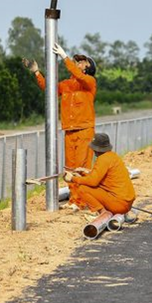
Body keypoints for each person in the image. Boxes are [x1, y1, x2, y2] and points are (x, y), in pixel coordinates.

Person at [24, 42, 97, 208]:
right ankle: (74, 199)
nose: (78, 63)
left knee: (81, 167)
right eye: (76, 61)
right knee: (70, 168)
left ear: (88, 67)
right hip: (70, 131)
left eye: (82, 62)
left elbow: (79, 76)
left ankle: (82, 201)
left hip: (85, 130)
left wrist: (64, 57)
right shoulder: (67, 84)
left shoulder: (89, 82)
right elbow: (49, 89)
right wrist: (36, 72)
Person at [66, 133, 136, 216]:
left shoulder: (102, 159)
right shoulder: (113, 156)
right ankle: (106, 211)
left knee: (82, 188)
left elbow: (93, 182)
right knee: (87, 185)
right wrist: (83, 173)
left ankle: (103, 214)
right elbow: (98, 177)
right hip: (126, 202)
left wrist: (72, 179)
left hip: (119, 204)